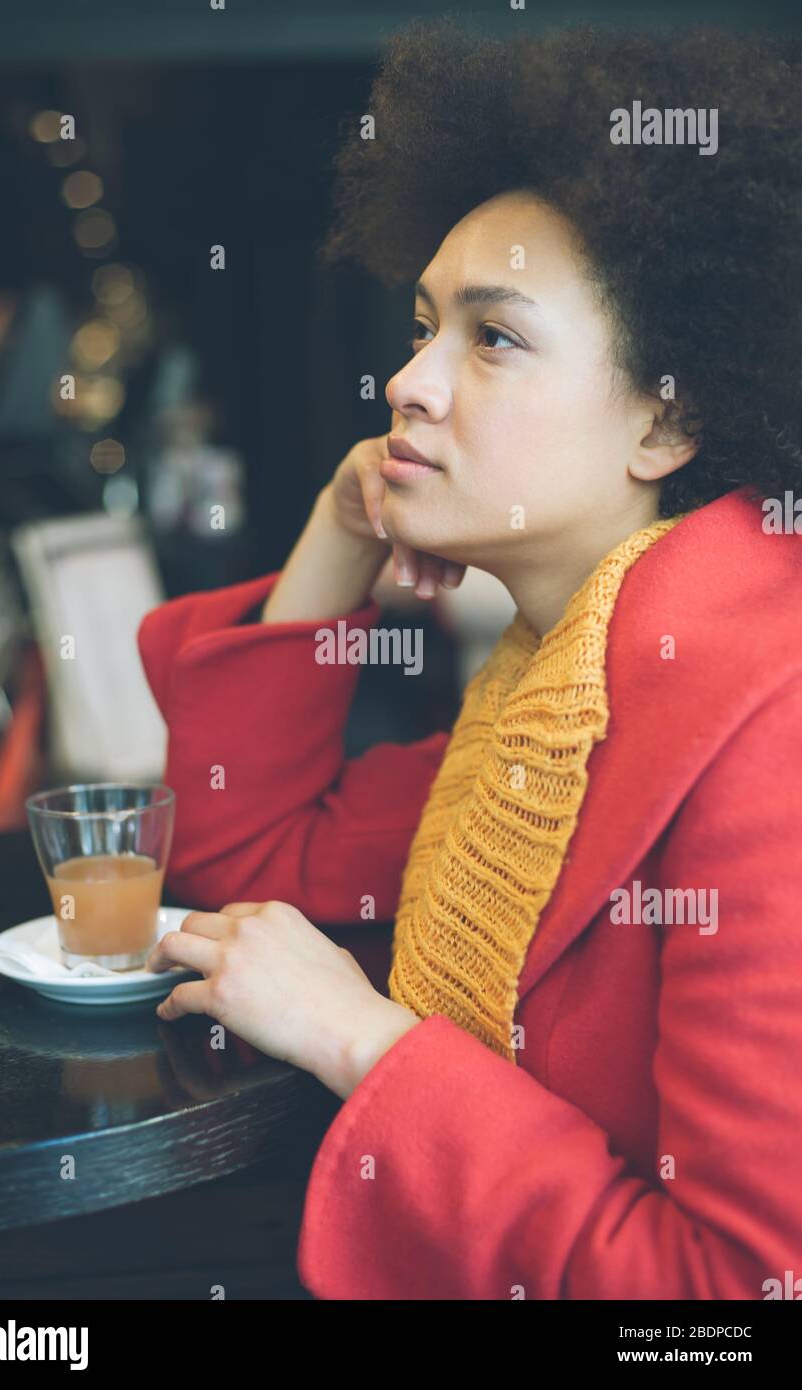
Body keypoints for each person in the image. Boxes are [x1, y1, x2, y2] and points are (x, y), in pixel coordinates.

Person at [137, 21, 802, 1299]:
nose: (405, 380)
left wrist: (362, 1039)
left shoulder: (756, 716)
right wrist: (340, 530)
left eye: (491, 339)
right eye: (424, 324)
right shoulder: (550, 687)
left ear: (669, 416)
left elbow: (731, 1299)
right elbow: (244, 861)